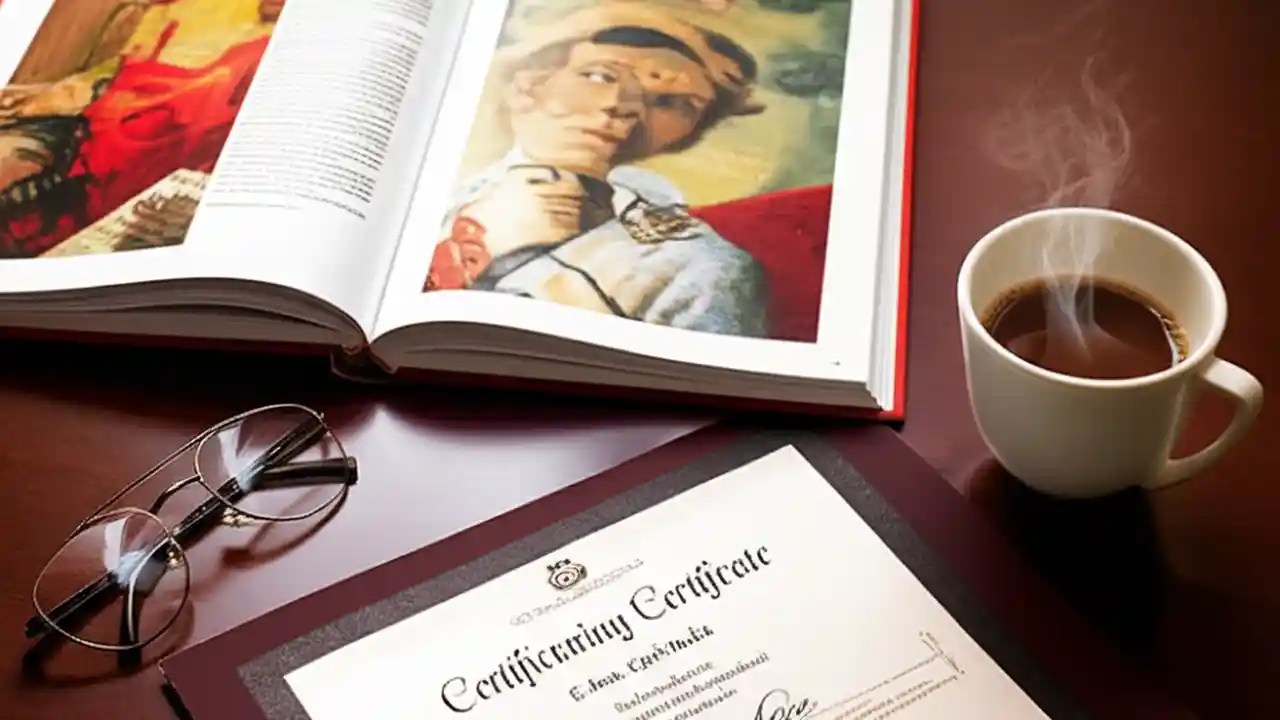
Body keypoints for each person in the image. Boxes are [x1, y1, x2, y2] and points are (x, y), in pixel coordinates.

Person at [426, 2, 771, 338]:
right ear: (525, 85)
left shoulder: (696, 262)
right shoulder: (433, 187)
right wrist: (473, 246)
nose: (620, 106)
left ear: (687, 135)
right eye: (599, 76)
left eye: (671, 102)